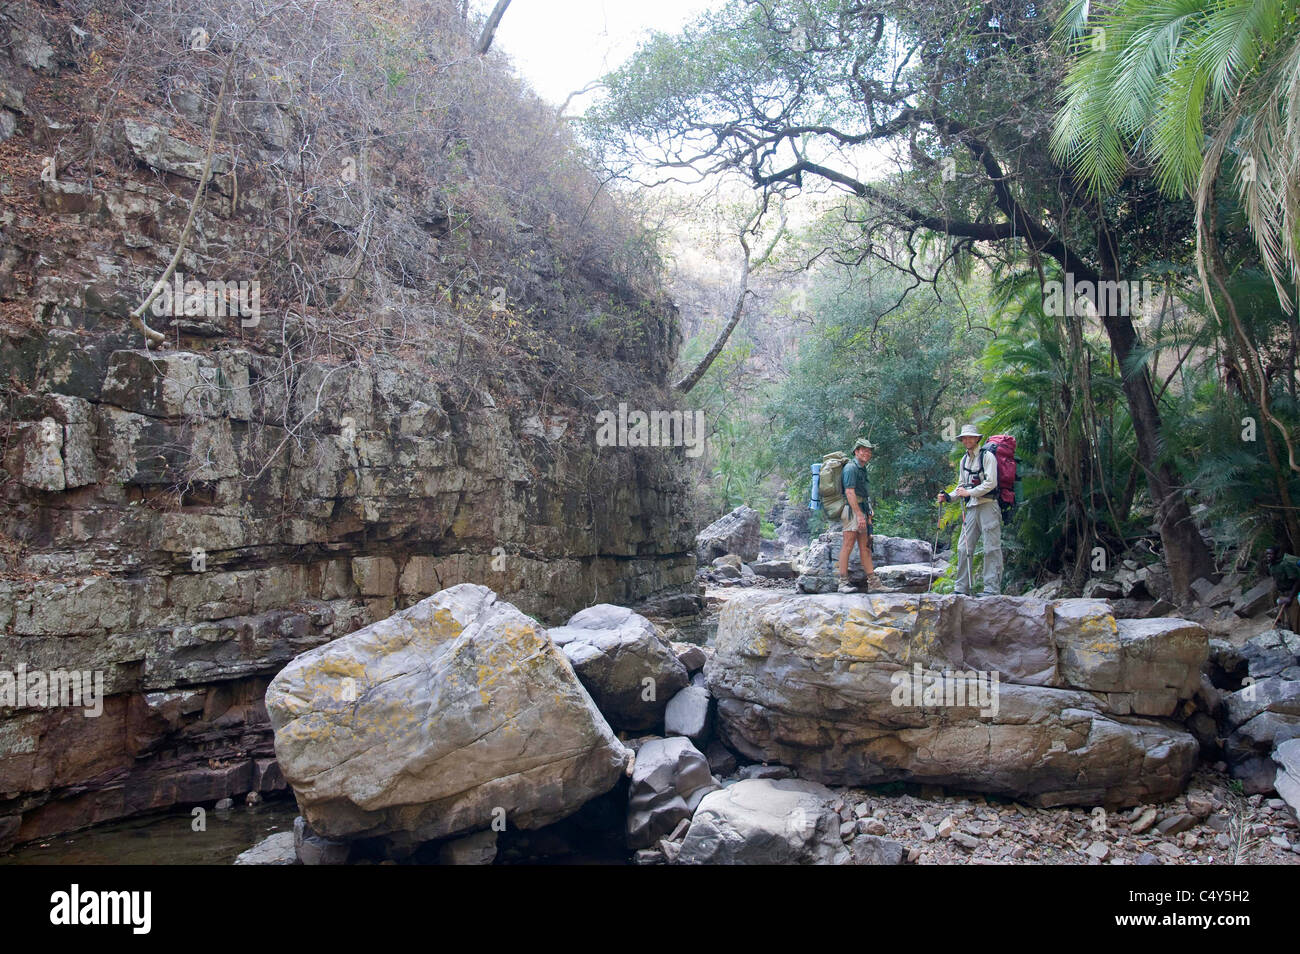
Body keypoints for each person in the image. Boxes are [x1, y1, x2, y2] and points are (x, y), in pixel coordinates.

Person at [935, 424, 1002, 596]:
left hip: (988, 505)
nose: (967, 440)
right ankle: (961, 588)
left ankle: (991, 589)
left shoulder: (988, 457)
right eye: (964, 438)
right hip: (972, 507)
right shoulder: (964, 460)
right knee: (963, 548)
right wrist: (948, 497)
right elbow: (960, 487)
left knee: (991, 548)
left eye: (970, 437)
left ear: (977, 439)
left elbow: (991, 483)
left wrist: (969, 492)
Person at [837, 438, 881, 593]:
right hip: (851, 511)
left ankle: (873, 583)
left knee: (866, 546)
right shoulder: (850, 468)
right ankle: (842, 583)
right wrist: (859, 515)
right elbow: (849, 492)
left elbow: (863, 493)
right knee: (848, 544)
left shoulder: (862, 468)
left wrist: (867, 512)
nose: (867, 453)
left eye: (869, 450)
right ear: (856, 451)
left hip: (861, 509)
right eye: (863, 450)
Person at [1264, 546, 1300, 631]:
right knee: (1284, 623)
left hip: (1292, 596)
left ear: (1276, 554)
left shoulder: (1285, 565)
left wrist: (1290, 598)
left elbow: (1298, 581)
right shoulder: (1271, 566)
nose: (1268, 556)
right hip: (1282, 596)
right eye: (1267, 554)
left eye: (1270, 554)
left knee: (1296, 623)